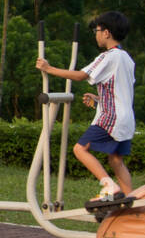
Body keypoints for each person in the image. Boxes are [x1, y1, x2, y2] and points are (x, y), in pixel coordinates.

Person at [35, 11, 135, 202]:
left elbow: (81, 75)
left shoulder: (108, 56)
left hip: (111, 117)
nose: (96, 35)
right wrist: (98, 99)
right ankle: (131, 198)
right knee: (116, 160)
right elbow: (120, 91)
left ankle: (109, 186)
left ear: (106, 33)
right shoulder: (126, 58)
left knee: (80, 149)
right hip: (126, 118)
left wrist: (49, 69)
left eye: (97, 31)